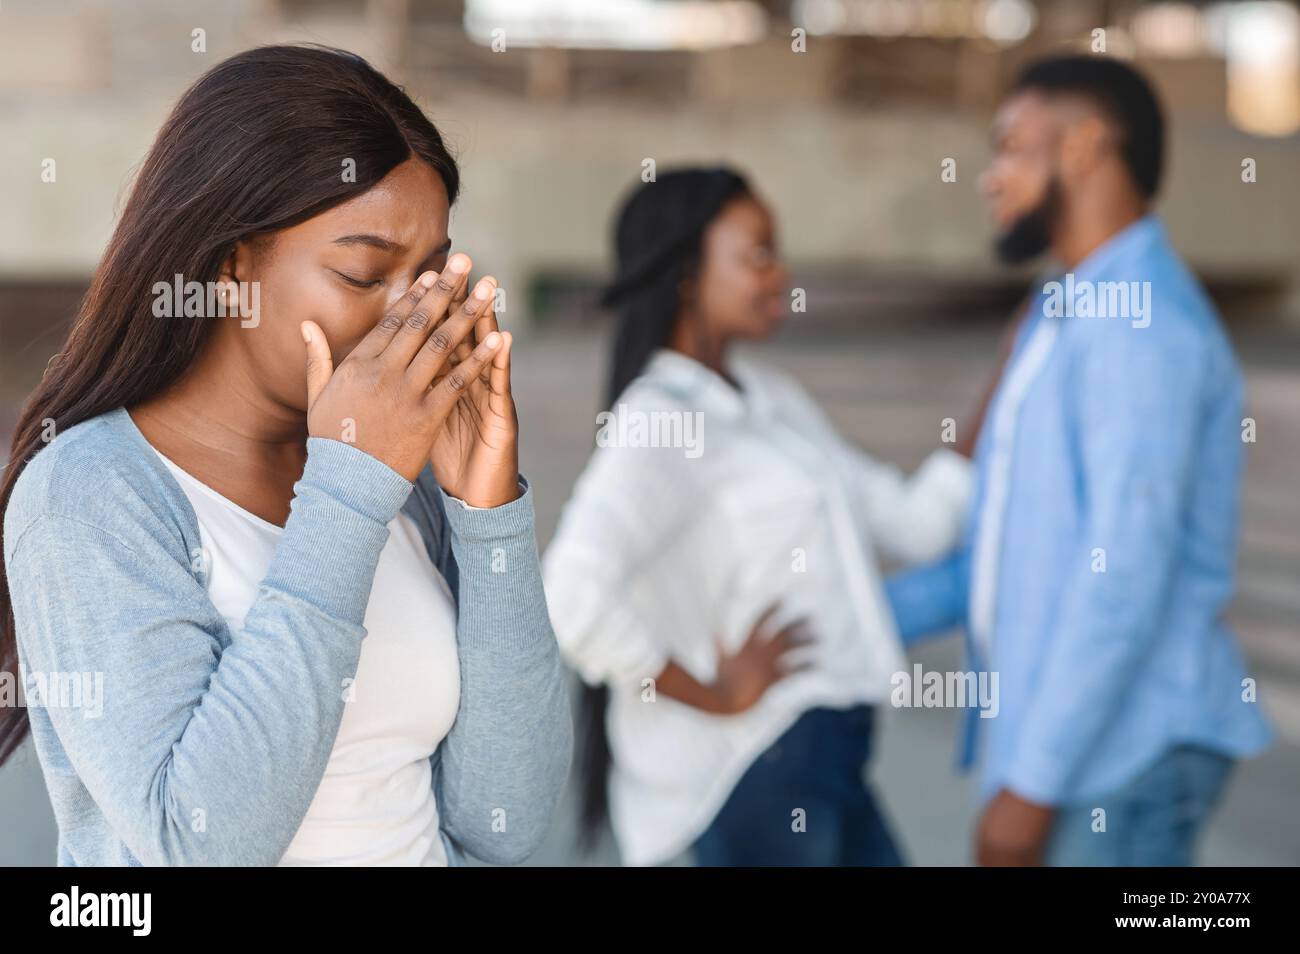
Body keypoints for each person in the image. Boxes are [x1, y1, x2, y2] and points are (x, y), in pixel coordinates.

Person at [0, 46, 572, 866]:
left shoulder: (404, 485)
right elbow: (198, 843)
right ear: (232, 266)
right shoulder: (88, 494)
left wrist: (489, 518)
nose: (408, 321)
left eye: (432, 278)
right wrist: (348, 490)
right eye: (363, 272)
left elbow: (504, 822)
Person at [887, 55, 1274, 867]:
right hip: (1075, 752)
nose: (991, 178)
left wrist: (1031, 785)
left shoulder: (1140, 327)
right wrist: (846, 618)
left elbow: (1123, 575)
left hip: (1124, 760)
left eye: (1011, 147)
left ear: (1084, 145)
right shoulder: (1068, 308)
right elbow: (1004, 553)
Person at [543, 168, 982, 866]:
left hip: (827, 760)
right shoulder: (661, 421)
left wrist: (1005, 382)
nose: (781, 274)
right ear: (688, 272)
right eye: (758, 254)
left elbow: (917, 524)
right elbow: (571, 596)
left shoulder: (771, 399)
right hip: (759, 776)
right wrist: (714, 693)